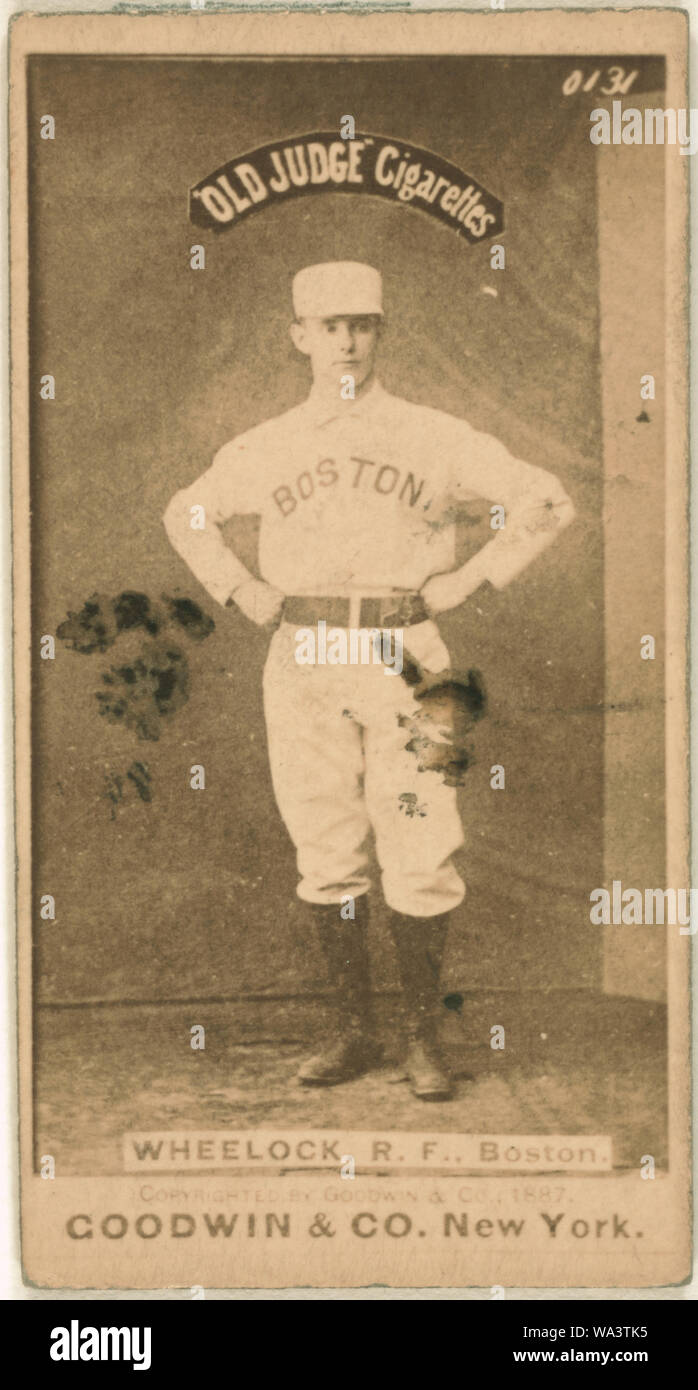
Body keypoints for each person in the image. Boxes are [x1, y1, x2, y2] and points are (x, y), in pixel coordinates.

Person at [164, 260, 575, 1101]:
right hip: (307, 648)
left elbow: (546, 500)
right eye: (331, 326)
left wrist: (468, 582)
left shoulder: (433, 434)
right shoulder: (269, 443)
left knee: (422, 842)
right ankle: (354, 1030)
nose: (348, 341)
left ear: (380, 332)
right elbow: (188, 513)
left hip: (404, 653)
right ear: (300, 338)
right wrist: (243, 589)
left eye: (364, 324)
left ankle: (424, 1040)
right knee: (326, 842)